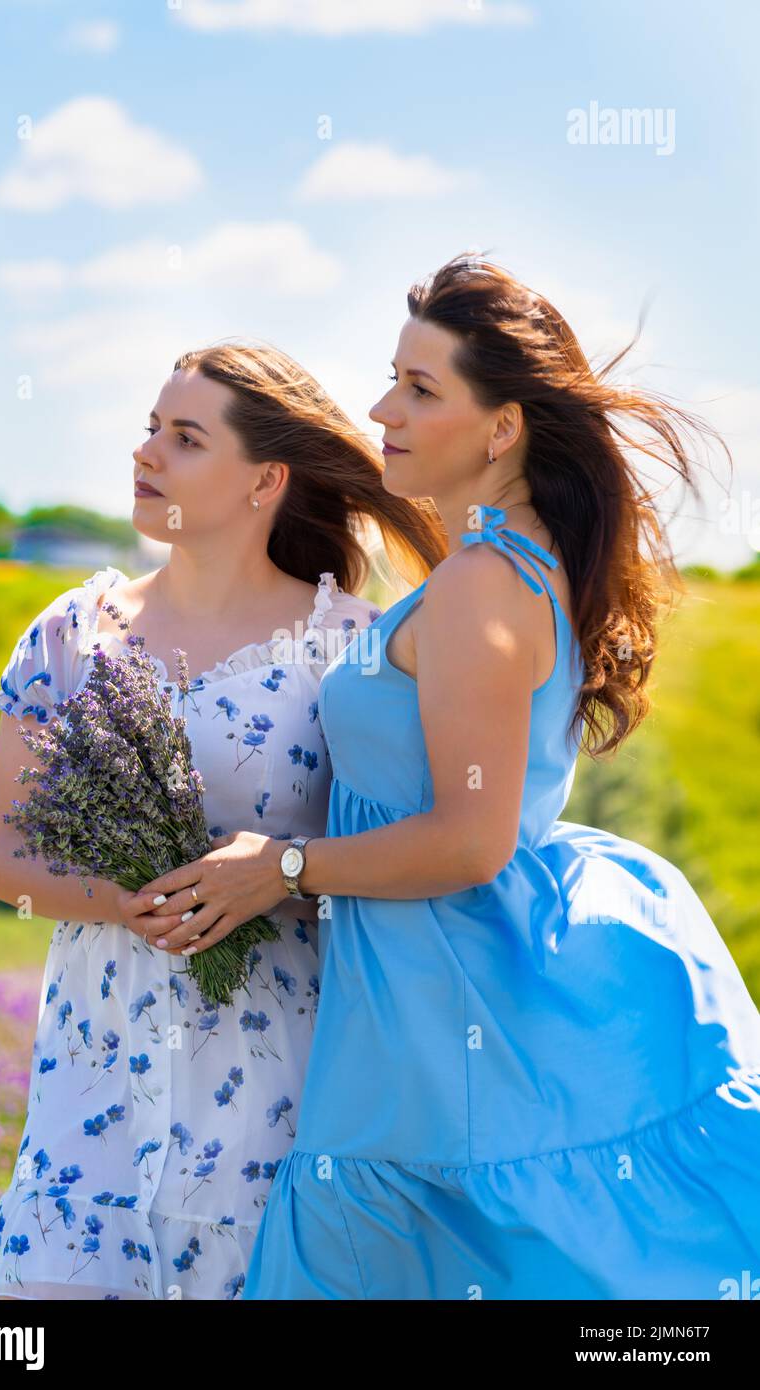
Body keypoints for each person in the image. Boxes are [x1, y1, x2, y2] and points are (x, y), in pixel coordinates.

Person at [135, 257, 760, 1300]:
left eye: (421, 389)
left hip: (448, 998)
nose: (384, 407)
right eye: (393, 378)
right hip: (431, 991)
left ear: (503, 427)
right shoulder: (501, 565)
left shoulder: (480, 588)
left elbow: (473, 839)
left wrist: (279, 866)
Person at [0, 342, 445, 1300]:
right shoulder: (71, 631)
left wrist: (278, 871)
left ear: (265, 479)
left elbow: (408, 862)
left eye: (185, 438)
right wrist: (131, 898)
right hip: (91, 1087)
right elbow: (3, 854)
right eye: (151, 429)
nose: (147, 454)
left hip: (271, 1096)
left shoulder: (349, 647)